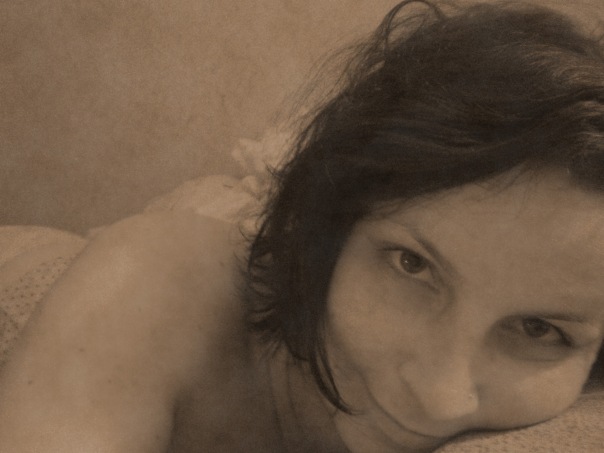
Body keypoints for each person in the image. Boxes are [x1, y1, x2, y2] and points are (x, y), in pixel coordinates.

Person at [0, 1, 603, 452]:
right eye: (412, 264)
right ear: (327, 218)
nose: (439, 394)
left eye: (539, 329)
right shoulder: (158, 282)